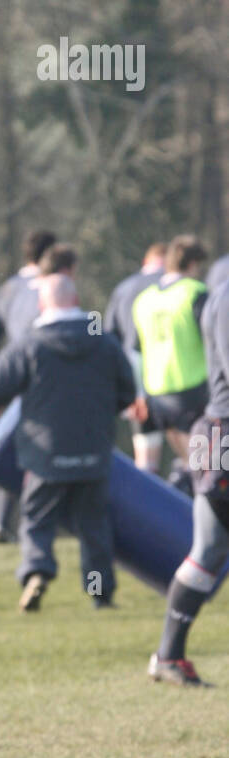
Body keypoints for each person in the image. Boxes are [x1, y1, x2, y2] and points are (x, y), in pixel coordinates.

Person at [0, 274, 135, 612]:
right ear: (75, 300)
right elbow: (127, 391)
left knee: (37, 518)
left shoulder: (31, 343)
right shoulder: (102, 340)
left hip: (45, 453)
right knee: (93, 525)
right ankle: (100, 595)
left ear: (43, 305)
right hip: (93, 449)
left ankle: (37, 573)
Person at [148, 278, 229, 687]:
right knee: (208, 550)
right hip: (224, 434)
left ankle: (169, 656)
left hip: (215, 433)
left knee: (209, 550)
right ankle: (168, 655)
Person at [0, 228, 57, 542]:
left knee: (10, 448)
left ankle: (0, 523)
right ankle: (31, 525)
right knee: (37, 449)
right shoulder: (50, 287)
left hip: (9, 377)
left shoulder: (6, 288)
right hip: (41, 377)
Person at [131, 235, 209, 475]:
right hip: (193, 394)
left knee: (189, 465)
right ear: (193, 264)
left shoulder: (144, 300)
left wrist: (139, 394)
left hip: (157, 397)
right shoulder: (196, 293)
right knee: (207, 471)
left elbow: (135, 352)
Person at [105, 242, 167, 473]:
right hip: (173, 379)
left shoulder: (123, 289)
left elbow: (108, 335)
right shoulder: (174, 285)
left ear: (145, 262)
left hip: (135, 380)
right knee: (192, 452)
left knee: (145, 456)